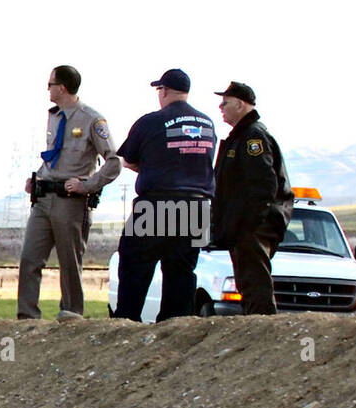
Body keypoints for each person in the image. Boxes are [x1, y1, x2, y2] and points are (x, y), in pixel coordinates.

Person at [112, 69, 217, 321]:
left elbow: (129, 159)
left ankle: (126, 324)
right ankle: (175, 327)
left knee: (135, 265)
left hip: (157, 203)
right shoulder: (208, 123)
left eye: (159, 90)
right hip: (197, 206)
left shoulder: (150, 121)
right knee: (181, 271)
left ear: (164, 90)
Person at [18, 65, 121, 320]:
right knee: (30, 259)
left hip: (71, 202)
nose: (48, 90)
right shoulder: (54, 117)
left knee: (69, 264)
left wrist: (87, 185)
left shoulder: (92, 120)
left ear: (62, 87)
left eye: (50, 85)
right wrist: (38, 176)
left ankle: (71, 316)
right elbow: (56, 156)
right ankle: (27, 318)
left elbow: (114, 162)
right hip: (43, 199)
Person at [210, 82, 295, 315]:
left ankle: (263, 332)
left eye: (225, 102)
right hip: (243, 226)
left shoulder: (252, 137)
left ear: (240, 104)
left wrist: (248, 223)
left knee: (255, 284)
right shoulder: (242, 136)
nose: (220, 106)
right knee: (248, 283)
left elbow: (264, 185)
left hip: (252, 227)